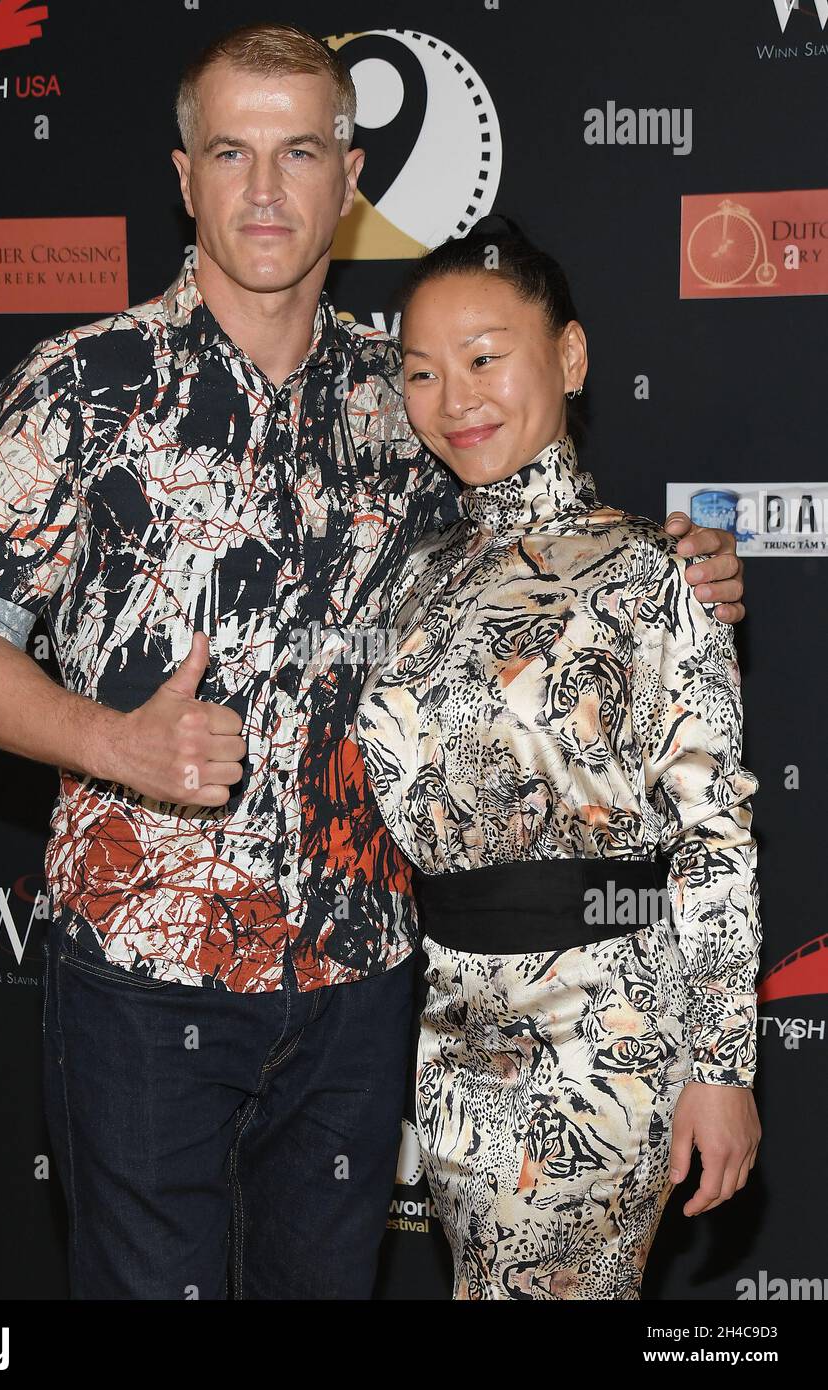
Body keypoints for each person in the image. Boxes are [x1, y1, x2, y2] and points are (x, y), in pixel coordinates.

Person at [0, 24, 746, 1301]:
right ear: (182, 176)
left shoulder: (399, 391)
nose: (262, 190)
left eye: (298, 151)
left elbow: (526, 549)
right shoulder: (79, 389)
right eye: (228, 151)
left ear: (350, 178)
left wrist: (670, 557)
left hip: (364, 985)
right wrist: (109, 739)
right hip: (144, 973)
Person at [354, 216, 762, 1301]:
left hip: (602, 1025)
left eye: (486, 357)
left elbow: (712, 836)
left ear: (570, 359)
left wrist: (720, 1070)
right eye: (424, 372)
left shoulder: (650, 571)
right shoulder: (415, 578)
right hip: (449, 1026)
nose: (456, 397)